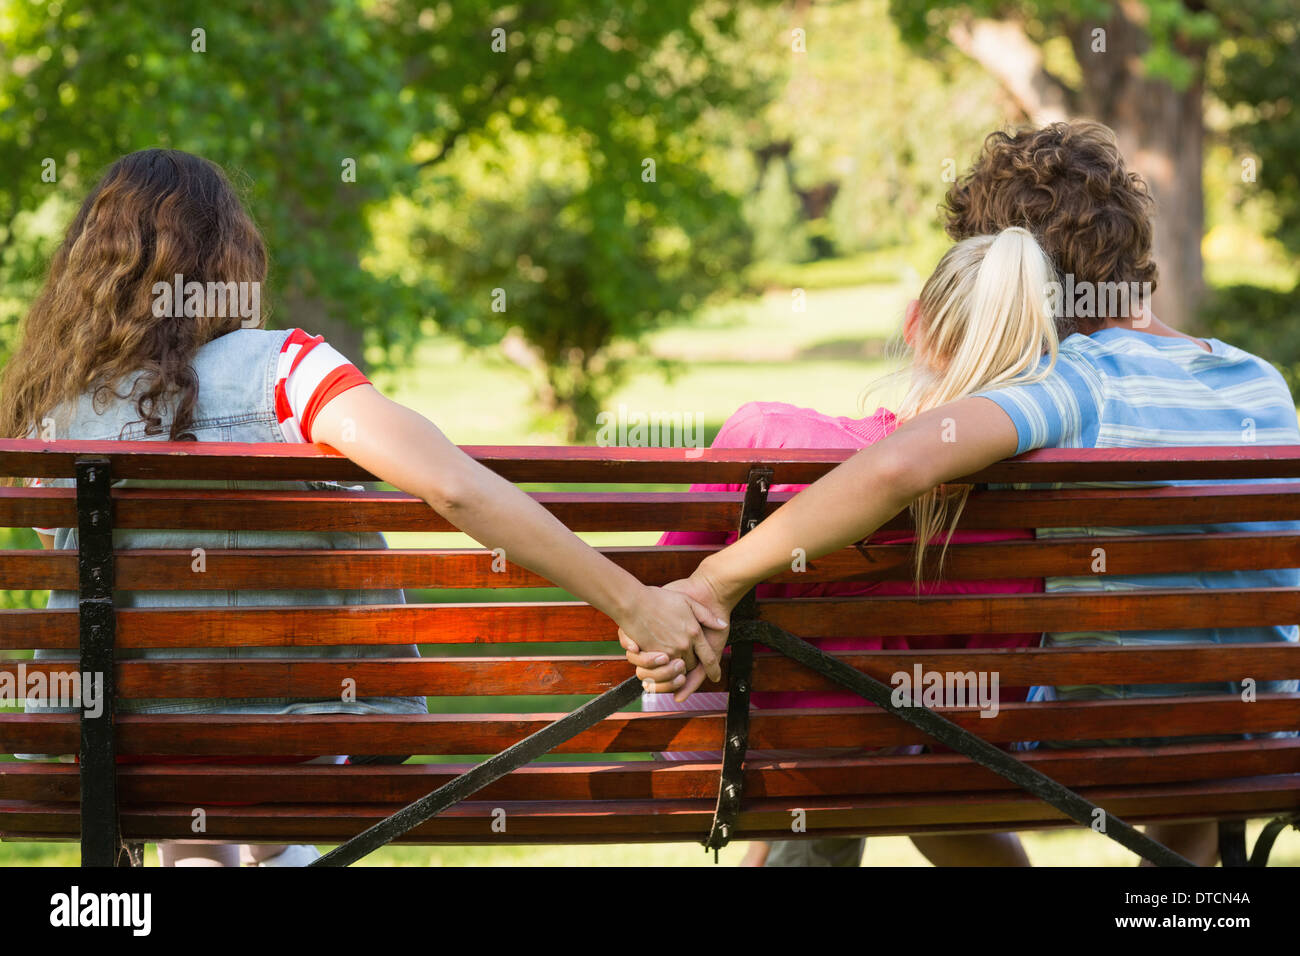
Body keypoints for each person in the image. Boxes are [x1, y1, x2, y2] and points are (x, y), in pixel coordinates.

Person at [0, 148, 725, 866]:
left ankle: (201, 856)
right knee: (234, 754)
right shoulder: (287, 373)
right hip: (304, 748)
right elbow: (454, 486)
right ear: (230, 261)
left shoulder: (52, 418)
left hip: (114, 760)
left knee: (174, 742)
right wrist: (632, 602)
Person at [627, 121, 1300, 868]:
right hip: (1252, 734)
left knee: (919, 719)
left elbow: (892, 467)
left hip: (1084, 737)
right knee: (1176, 741)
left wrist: (717, 579)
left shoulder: (1074, 382)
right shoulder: (1258, 382)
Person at [638, 226, 1059, 867]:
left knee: (810, 737)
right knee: (863, 737)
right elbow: (978, 718)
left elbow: (660, 604)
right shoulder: (1018, 517)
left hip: (718, 749)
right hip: (881, 757)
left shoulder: (767, 434)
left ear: (916, 327)